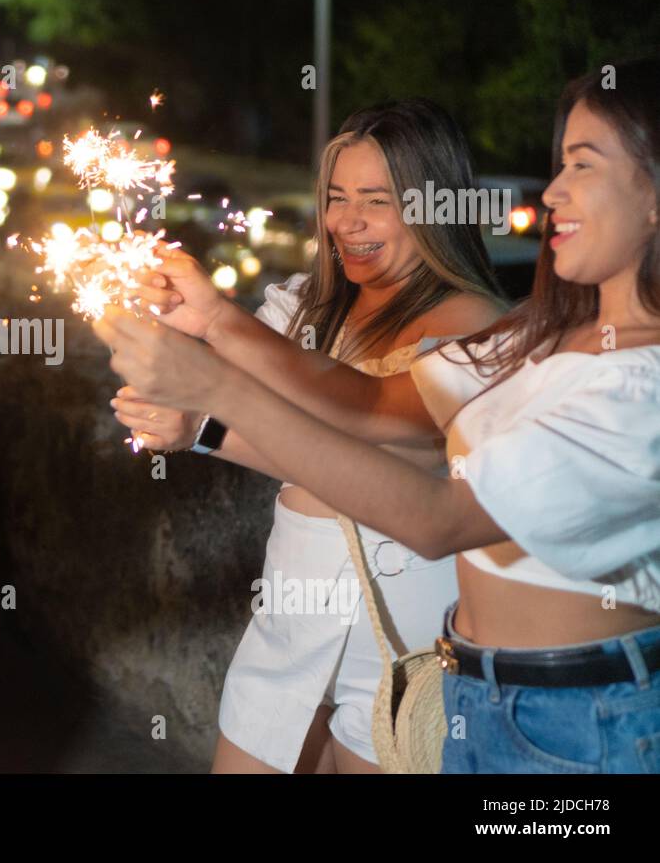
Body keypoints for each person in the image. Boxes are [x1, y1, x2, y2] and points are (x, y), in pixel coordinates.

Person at [96, 58, 660, 773]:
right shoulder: (537, 334)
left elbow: (437, 517)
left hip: (563, 707)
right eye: (336, 196)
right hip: (475, 690)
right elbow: (365, 404)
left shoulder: (631, 379)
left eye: (581, 165)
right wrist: (209, 340)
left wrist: (220, 384)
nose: (549, 191)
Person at [112, 100, 505, 772]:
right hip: (290, 612)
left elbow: (386, 430)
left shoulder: (483, 329)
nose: (345, 223)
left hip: (402, 638)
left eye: (375, 201)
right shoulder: (304, 308)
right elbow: (298, 451)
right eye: (336, 197)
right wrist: (194, 429)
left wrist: (218, 325)